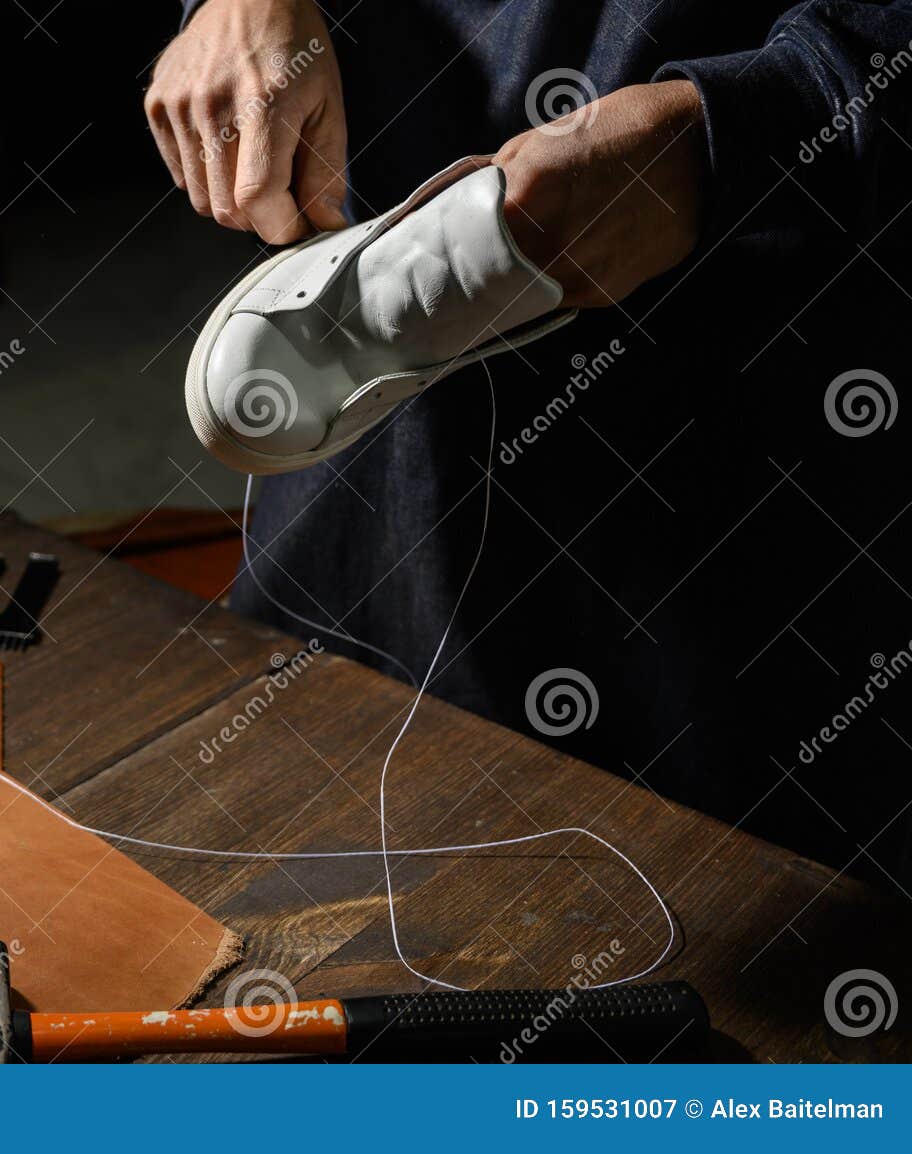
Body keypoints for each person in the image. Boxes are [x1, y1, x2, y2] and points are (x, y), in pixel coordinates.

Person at [147, 0, 912, 883]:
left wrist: (737, 129)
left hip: (729, 482)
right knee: (277, 848)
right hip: (372, 460)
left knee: (698, 927)